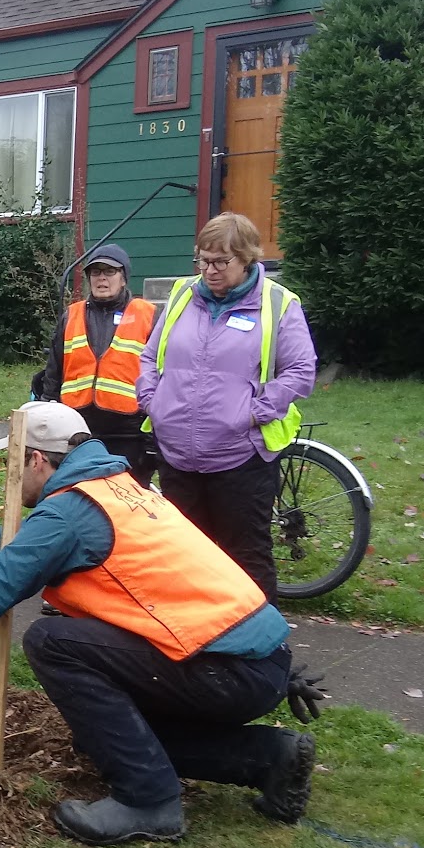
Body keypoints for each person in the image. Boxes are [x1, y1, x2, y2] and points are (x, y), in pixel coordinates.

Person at [0, 401, 315, 846]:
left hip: (222, 669)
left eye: (10, 463)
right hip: (253, 656)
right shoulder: (115, 486)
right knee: (109, 735)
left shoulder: (70, 513)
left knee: (53, 641)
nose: (7, 476)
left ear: (34, 460)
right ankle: (271, 758)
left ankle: (149, 801)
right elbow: (17, 539)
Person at [137, 212, 316, 600]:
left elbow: (301, 371)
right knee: (185, 556)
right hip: (178, 454)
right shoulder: (184, 294)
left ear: (247, 259)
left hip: (240, 458)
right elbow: (151, 356)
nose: (209, 271)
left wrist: (252, 413)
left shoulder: (277, 303)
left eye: (221, 262)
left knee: (245, 559)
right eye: (203, 260)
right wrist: (153, 401)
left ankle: (258, 653)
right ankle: (194, 650)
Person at [37, 243, 156, 484]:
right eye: (95, 272)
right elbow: (53, 373)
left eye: (109, 272)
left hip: (129, 434)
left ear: (124, 278)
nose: (101, 278)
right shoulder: (72, 315)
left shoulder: (149, 315)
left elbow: (163, 375)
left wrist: (153, 438)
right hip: (78, 431)